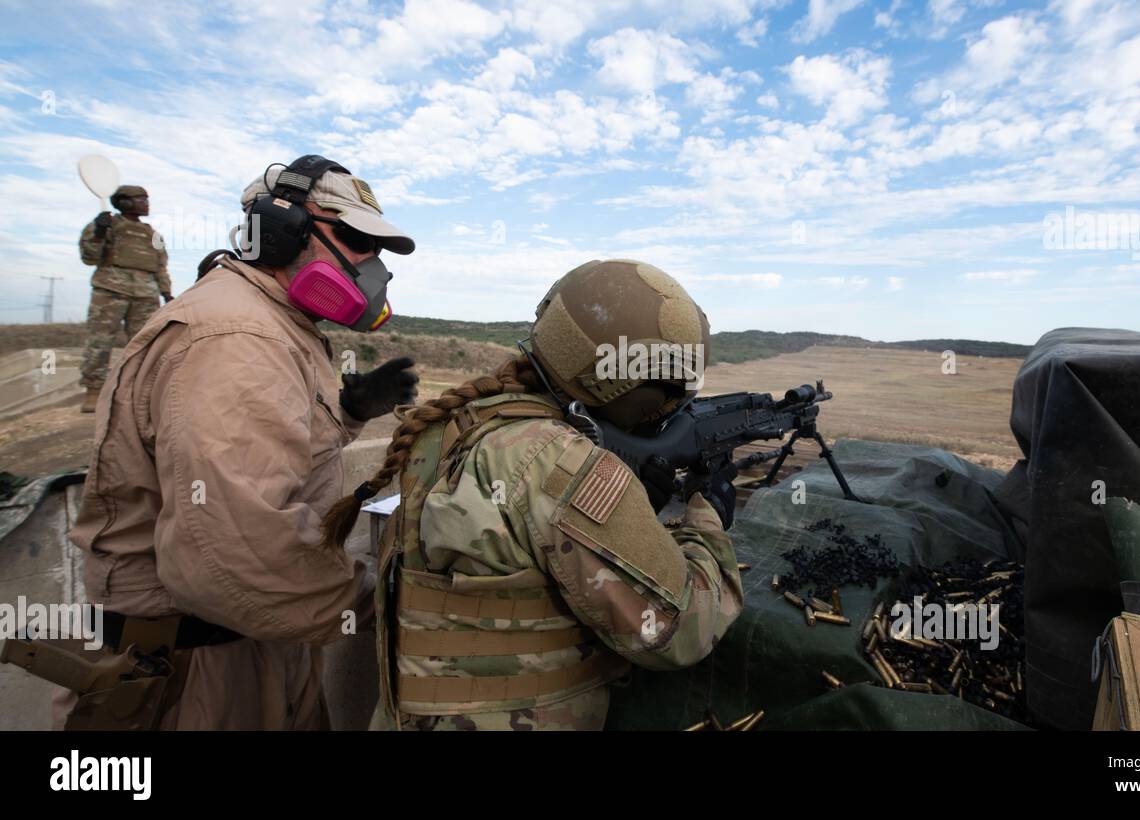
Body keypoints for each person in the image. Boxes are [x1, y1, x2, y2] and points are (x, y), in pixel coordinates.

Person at [60, 155, 420, 729]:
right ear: (278, 233)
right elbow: (236, 555)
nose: (370, 264)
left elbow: (272, 460)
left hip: (247, 640)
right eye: (354, 239)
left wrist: (346, 414)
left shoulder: (265, 321)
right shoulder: (236, 337)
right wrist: (382, 604)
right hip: (199, 667)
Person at [319, 259, 745, 731]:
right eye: (667, 386)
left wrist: (632, 494)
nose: (672, 402)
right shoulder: (559, 460)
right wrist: (709, 523)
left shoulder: (464, 418)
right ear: (619, 380)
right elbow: (680, 631)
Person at [78, 185, 172, 412]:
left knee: (146, 343)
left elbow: (161, 266)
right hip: (110, 289)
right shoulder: (107, 225)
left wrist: (167, 293)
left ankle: (140, 389)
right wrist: (100, 233)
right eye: (141, 199)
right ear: (125, 202)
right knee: (100, 341)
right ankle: (94, 390)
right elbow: (89, 257)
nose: (146, 203)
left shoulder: (153, 234)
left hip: (146, 293)